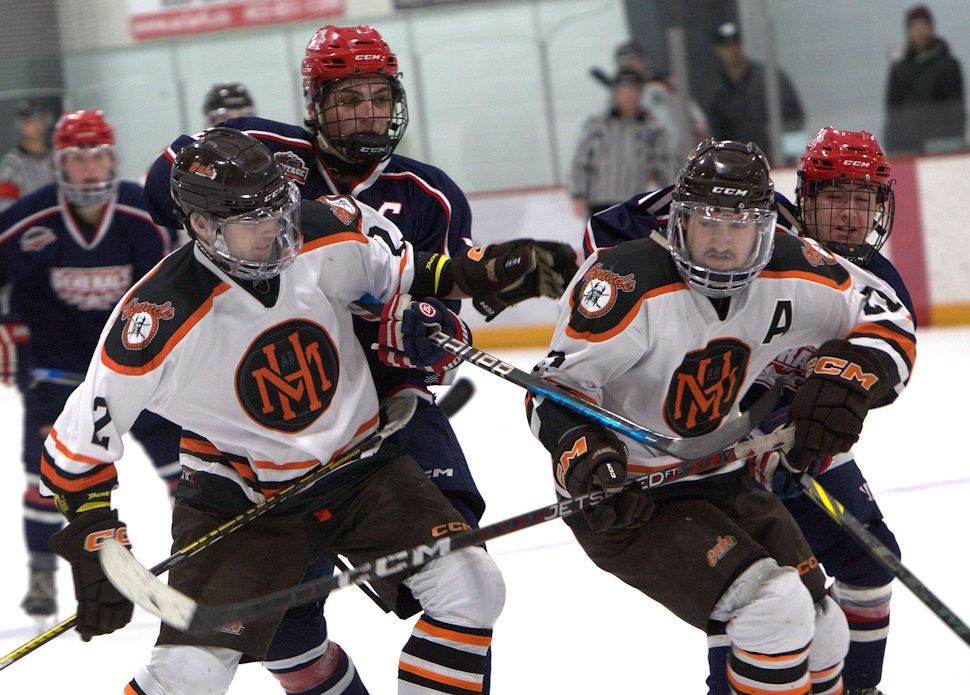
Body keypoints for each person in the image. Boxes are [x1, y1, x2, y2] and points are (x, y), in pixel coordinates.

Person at [142, 25, 576, 695]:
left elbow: (442, 315)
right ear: (315, 103)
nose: (366, 112)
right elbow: (159, 182)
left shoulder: (429, 195)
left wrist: (422, 330)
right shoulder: (265, 151)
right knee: (290, 641)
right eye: (348, 99)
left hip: (385, 415)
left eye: (379, 96)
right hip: (266, 412)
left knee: (466, 578)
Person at [40, 127, 516, 693]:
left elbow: (408, 273)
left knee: (473, 588)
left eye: (277, 208)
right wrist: (96, 540)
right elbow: (75, 446)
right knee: (187, 674)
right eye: (252, 219)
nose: (275, 228)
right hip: (242, 498)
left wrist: (447, 298)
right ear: (202, 227)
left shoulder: (325, 229)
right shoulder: (156, 319)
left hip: (361, 470)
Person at [529, 139, 916, 694]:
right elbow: (549, 390)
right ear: (679, 220)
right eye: (707, 221)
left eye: (739, 225)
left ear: (765, 228)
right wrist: (583, 451)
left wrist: (847, 378)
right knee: (773, 606)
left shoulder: (792, 269)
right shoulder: (625, 281)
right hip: (630, 497)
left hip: (721, 473)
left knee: (827, 628)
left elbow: (889, 322)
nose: (721, 241)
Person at [733, 128, 911, 695]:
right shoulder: (755, 234)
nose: (850, 214)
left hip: (798, 444)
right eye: (836, 196)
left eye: (863, 199)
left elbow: (882, 367)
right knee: (750, 588)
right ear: (805, 196)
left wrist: (810, 426)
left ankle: (858, 688)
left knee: (872, 560)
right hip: (715, 442)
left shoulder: (878, 284)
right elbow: (607, 231)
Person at [0, 109, 182, 622]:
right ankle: (40, 571)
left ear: (112, 157)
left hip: (135, 371)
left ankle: (202, 555)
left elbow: (180, 284)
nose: (88, 168)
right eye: (77, 157)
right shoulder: (27, 219)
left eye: (97, 155)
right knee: (46, 476)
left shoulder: (143, 214)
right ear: (61, 163)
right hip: (55, 374)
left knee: (184, 464)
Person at [570, 66, 675, 221]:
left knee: (632, 245)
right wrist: (578, 194)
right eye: (622, 91)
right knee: (602, 245)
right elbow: (581, 161)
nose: (627, 96)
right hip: (600, 204)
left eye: (632, 91)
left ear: (639, 94)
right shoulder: (599, 124)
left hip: (632, 206)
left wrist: (672, 196)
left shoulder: (651, 127)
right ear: (615, 95)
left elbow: (664, 165)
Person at [593, 41, 710, 162]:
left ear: (643, 61)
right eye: (624, 62)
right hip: (645, 164)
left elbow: (695, 116)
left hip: (680, 155)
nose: (630, 65)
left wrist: (698, 138)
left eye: (633, 59)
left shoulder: (664, 84)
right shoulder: (616, 100)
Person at [707, 22, 805, 164]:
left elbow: (794, 118)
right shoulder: (718, 94)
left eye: (735, 43)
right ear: (718, 50)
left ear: (742, 44)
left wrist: (790, 158)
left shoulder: (771, 79)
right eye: (726, 45)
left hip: (776, 162)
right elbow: (718, 135)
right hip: (741, 170)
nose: (732, 50)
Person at [885, 4, 966, 154]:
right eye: (914, 26)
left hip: (941, 147)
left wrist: (954, 141)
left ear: (931, 27)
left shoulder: (948, 66)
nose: (920, 31)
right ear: (908, 30)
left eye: (924, 25)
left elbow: (956, 109)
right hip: (907, 148)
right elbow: (892, 112)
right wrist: (893, 147)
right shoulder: (899, 69)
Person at [0, 100, 55, 211]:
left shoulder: (54, 158)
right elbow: (5, 205)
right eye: (30, 121)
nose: (36, 124)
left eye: (41, 119)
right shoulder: (12, 163)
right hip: (27, 224)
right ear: (21, 125)